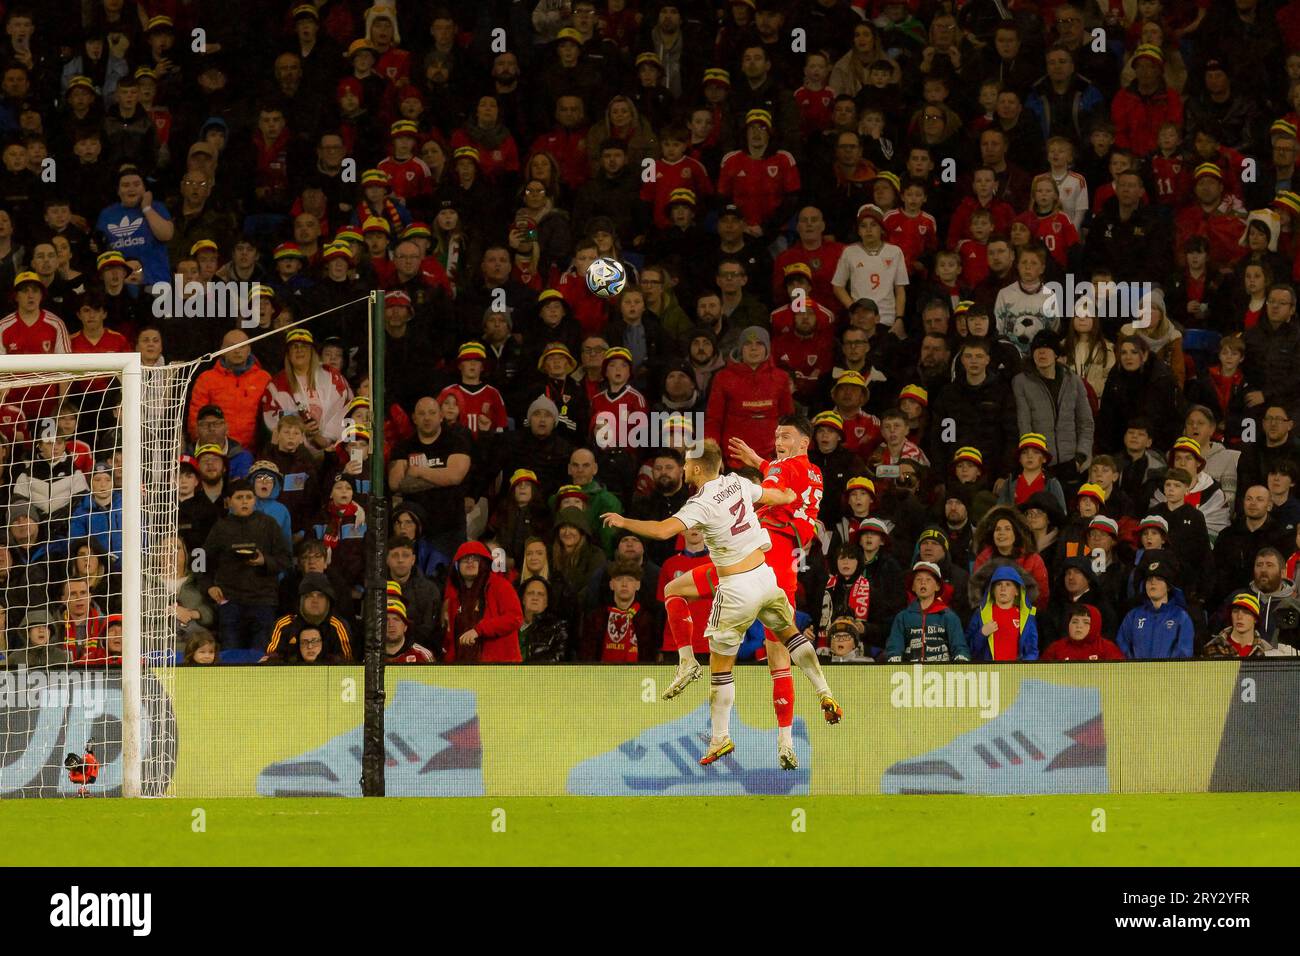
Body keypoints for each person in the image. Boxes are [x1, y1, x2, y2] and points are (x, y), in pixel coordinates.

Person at [602, 439, 841, 770]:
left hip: (736, 588)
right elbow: (781, 495)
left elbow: (660, 531)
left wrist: (623, 521)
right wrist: (797, 505)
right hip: (765, 576)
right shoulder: (738, 482)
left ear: (697, 468)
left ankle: (719, 736)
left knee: (721, 666)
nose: (684, 469)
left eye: (686, 464)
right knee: (789, 633)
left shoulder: (699, 504)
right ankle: (824, 690)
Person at [198, 479, 293, 653]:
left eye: (249, 497)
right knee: (230, 657)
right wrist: (209, 586)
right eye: (239, 497)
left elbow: (286, 559)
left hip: (263, 601)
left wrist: (264, 560)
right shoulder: (220, 527)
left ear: (255, 500)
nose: (244, 501)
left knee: (260, 657)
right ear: (229, 502)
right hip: (230, 602)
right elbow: (200, 560)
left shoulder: (269, 525)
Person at [442, 540, 524, 663]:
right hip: (466, 671)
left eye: (475, 558)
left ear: (484, 563)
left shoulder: (500, 586)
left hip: (500, 669)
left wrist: (479, 630)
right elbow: (453, 641)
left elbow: (515, 618)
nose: (470, 561)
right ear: (457, 566)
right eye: (465, 558)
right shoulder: (455, 599)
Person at [886, 560, 970, 662]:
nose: (923, 582)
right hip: (910, 673)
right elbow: (894, 646)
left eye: (928, 579)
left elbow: (959, 647)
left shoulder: (949, 616)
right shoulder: (902, 617)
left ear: (937, 586)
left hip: (941, 674)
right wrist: (894, 658)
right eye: (918, 579)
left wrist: (961, 658)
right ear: (913, 587)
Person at [1116, 552, 1195, 659]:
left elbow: (1184, 651)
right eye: (1149, 579)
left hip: (1170, 674)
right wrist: (1132, 666)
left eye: (1159, 579)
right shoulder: (1133, 615)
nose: (1153, 583)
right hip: (1136, 674)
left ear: (1168, 587)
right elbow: (1121, 644)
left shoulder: (1181, 616)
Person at [264, 572, 354, 663]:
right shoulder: (283, 625)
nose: (315, 600)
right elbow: (270, 660)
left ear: (328, 601)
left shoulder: (338, 626)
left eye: (321, 596)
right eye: (309, 596)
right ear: (301, 601)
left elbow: (347, 662)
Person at [966, 564, 1040, 661]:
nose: (1003, 588)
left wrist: (1022, 669)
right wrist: (982, 634)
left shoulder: (1026, 616)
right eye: (999, 584)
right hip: (989, 673)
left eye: (1008, 584)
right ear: (992, 590)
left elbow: (1032, 651)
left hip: (1015, 673)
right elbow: (968, 650)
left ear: (1017, 591)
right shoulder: (980, 614)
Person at [1203, 592, 1297, 657]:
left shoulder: (1267, 650)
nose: (1239, 616)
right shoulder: (1212, 647)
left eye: (1246, 612)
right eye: (1235, 611)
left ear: (1255, 618)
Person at [1040, 604, 1125, 661]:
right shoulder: (1055, 649)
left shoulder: (1107, 649)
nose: (1079, 626)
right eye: (1074, 621)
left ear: (1095, 625)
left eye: (1086, 622)